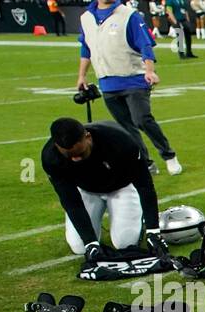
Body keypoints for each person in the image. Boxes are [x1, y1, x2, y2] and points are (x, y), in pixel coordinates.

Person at [78, 0, 183, 176]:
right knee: (126, 127)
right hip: (107, 81)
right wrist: (82, 75)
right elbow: (86, 48)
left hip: (134, 78)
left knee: (142, 119)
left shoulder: (128, 14)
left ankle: (168, 156)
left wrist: (149, 70)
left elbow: (145, 44)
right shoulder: (86, 18)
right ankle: (145, 162)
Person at [43, 117, 161, 254]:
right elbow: (71, 202)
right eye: (70, 156)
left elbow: (144, 186)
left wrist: (153, 231)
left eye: (81, 154)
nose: (76, 159)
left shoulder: (120, 141)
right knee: (80, 247)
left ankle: (141, 219)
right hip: (87, 190)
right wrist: (90, 242)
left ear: (88, 137)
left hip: (122, 187)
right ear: (57, 146)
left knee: (126, 244)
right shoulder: (51, 158)